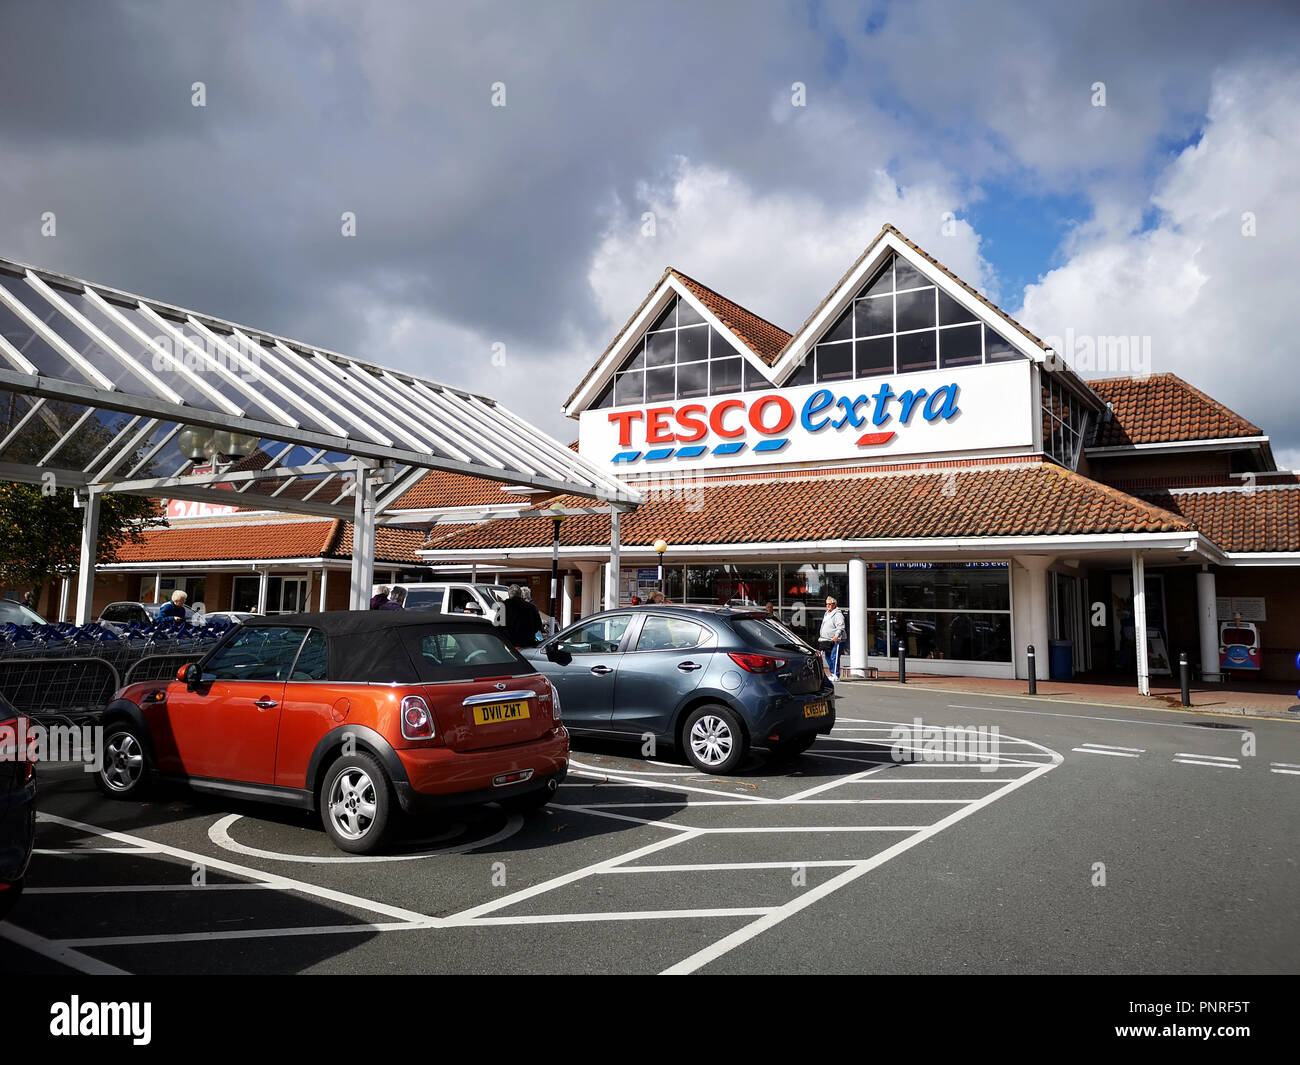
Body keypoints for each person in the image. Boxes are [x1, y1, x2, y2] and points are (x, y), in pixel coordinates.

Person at [819, 596, 845, 679]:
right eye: (827, 604)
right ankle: (832, 672)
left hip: (836, 639)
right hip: (826, 640)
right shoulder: (827, 613)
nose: (829, 606)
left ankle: (835, 674)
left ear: (834, 604)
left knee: (834, 657)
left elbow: (840, 626)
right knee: (827, 656)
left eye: (831, 604)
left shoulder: (838, 614)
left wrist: (836, 636)